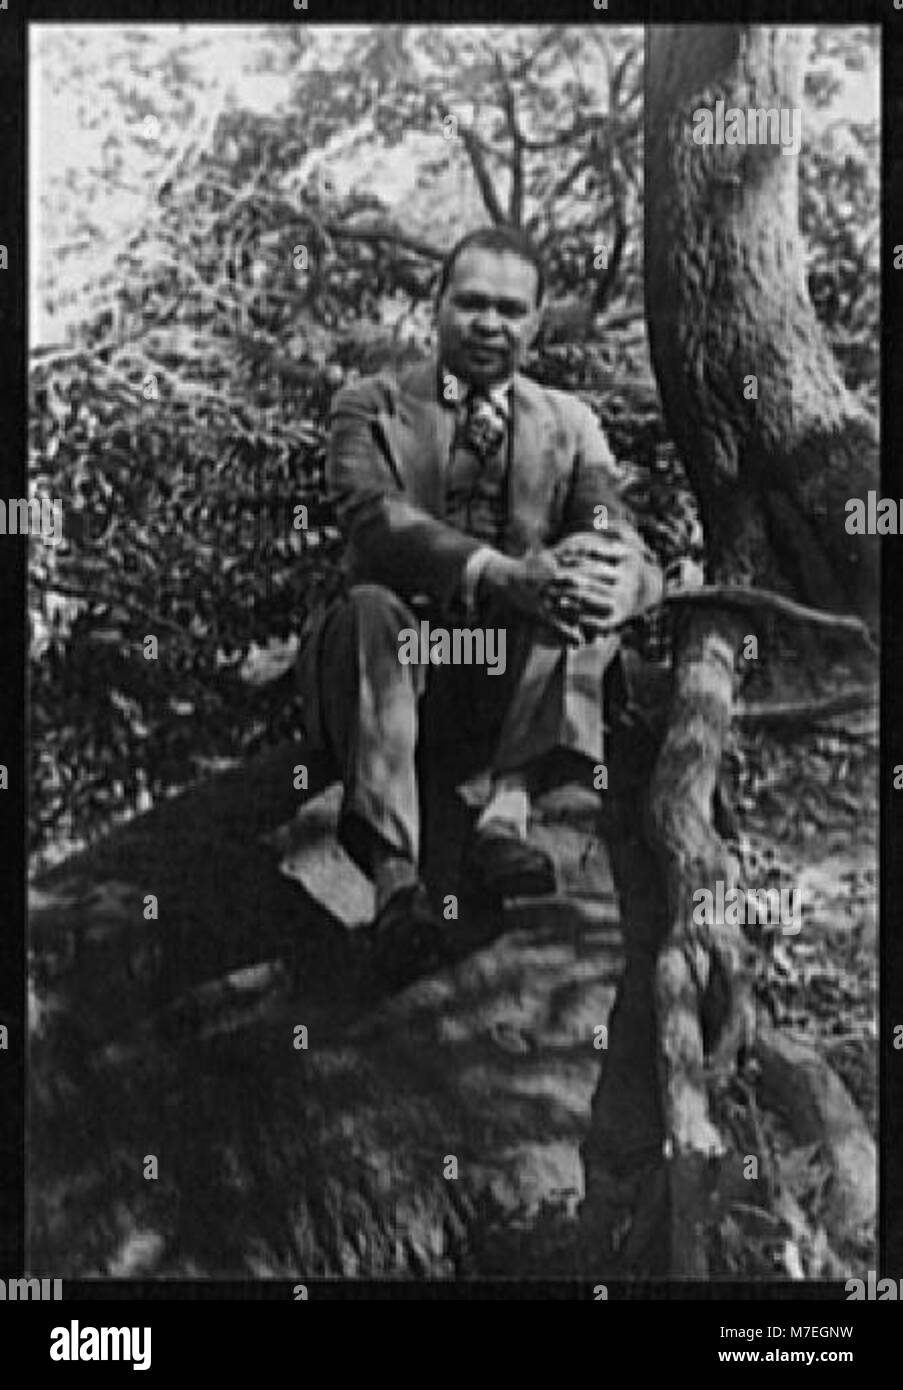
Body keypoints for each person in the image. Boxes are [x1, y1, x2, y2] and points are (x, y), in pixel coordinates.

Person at [297, 226, 663, 979]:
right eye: (470, 303)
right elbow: (376, 523)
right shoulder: (368, 406)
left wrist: (617, 578)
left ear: (534, 321)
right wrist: (499, 571)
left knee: (578, 577)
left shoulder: (570, 423)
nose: (489, 324)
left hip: (506, 679)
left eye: (509, 309)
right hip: (398, 663)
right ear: (435, 308)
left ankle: (507, 811)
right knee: (368, 606)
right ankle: (397, 879)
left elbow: (609, 526)